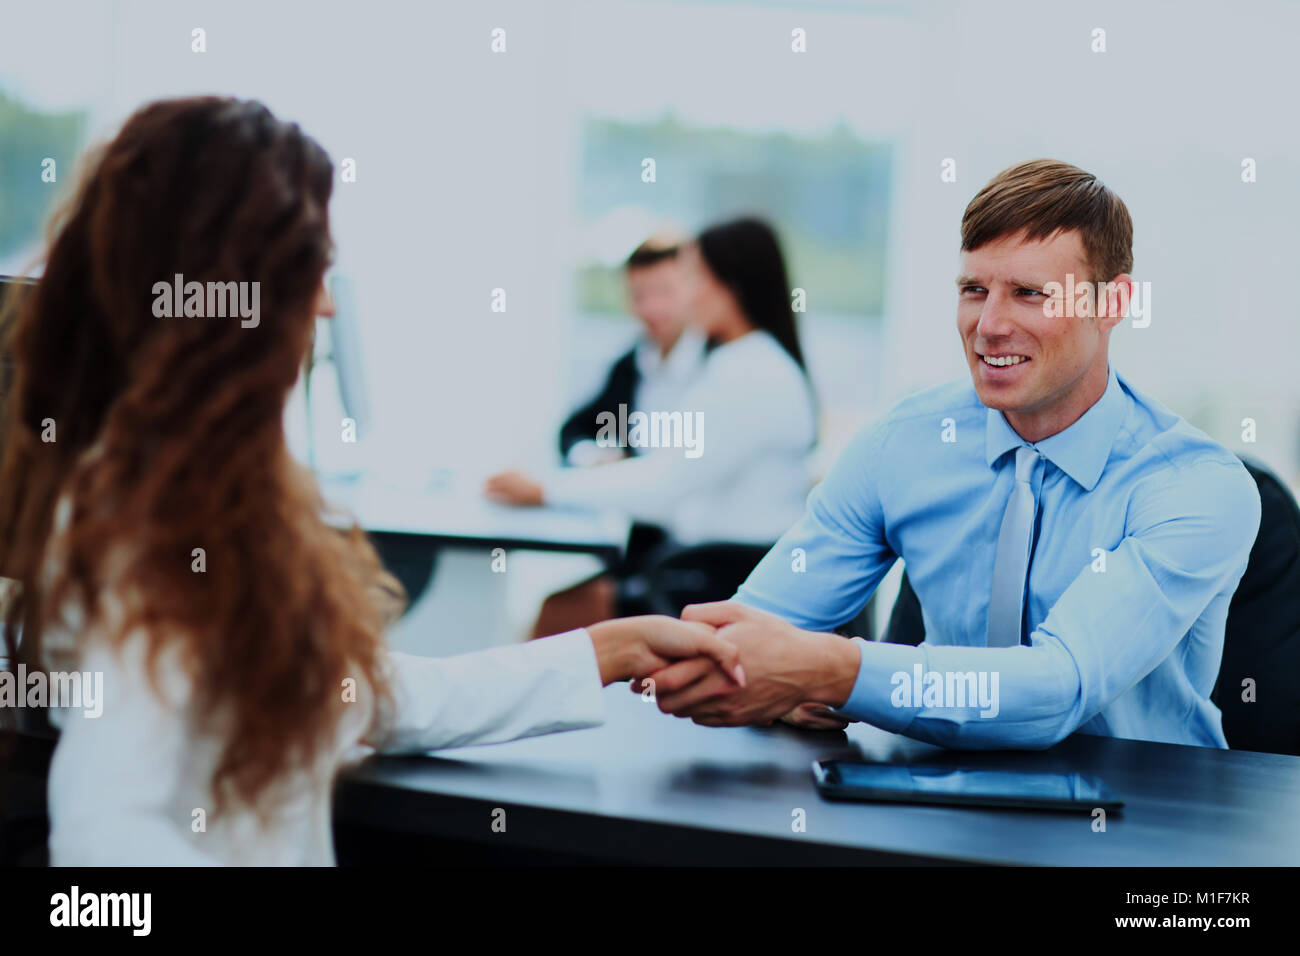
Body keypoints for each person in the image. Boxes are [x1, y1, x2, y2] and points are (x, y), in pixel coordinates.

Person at [0, 97, 742, 865]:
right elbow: (104, 839)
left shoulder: (210, 495)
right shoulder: (151, 522)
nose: (324, 304)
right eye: (310, 267)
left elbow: (362, 693)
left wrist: (605, 650)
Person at [641, 159, 1261, 750]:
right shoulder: (903, 443)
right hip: (935, 802)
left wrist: (835, 674)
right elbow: (746, 632)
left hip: (1145, 825)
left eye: (1027, 293)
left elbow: (1059, 686)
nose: (988, 324)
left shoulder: (1196, 487)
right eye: (973, 289)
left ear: (1112, 305)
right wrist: (713, 662)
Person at [485, 217, 818, 631]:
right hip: (715, 566)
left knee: (563, 615)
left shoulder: (749, 374)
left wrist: (546, 489)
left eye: (694, 278)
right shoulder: (743, 363)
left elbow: (664, 485)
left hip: (724, 576)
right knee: (568, 612)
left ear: (731, 285)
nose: (686, 295)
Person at [558, 231, 706, 468]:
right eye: (639, 295)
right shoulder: (631, 365)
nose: (652, 307)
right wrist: (596, 458)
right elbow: (574, 429)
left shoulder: (717, 361)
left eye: (664, 291)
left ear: (693, 288)